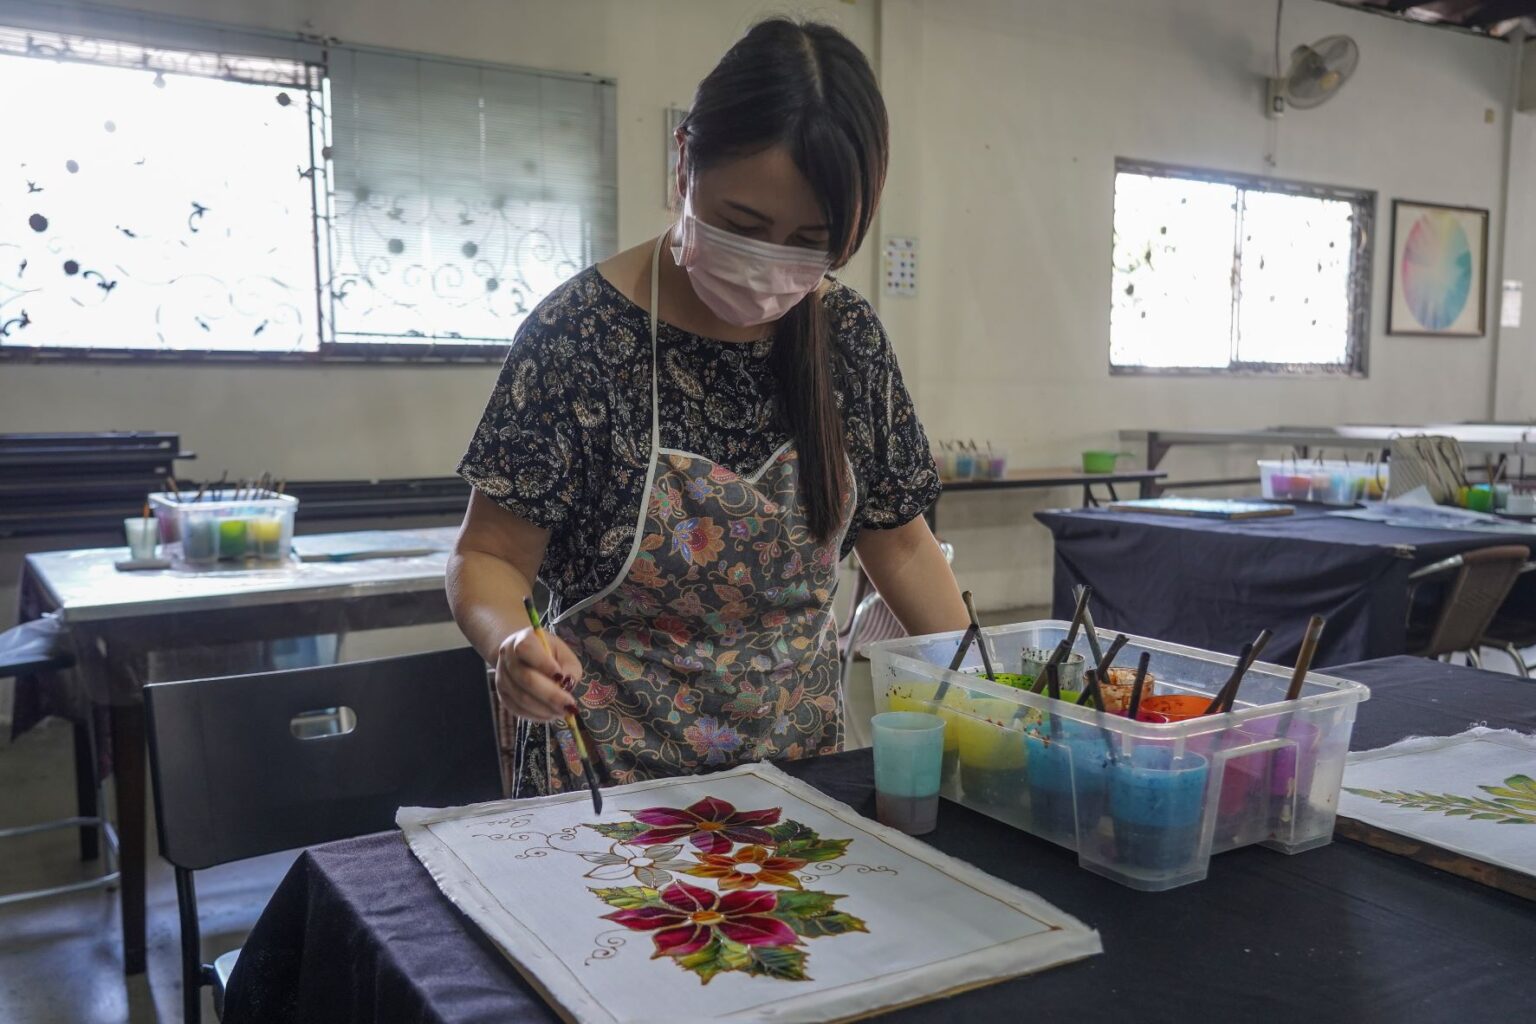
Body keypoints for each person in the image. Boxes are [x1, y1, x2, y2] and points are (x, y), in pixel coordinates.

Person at [449, 17, 966, 797]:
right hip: (610, 789)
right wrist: (509, 641)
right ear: (684, 160)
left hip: (804, 784)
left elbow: (900, 545)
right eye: (742, 225)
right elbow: (486, 556)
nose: (768, 268)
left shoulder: (846, 336)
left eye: (808, 241)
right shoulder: (580, 339)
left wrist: (990, 693)